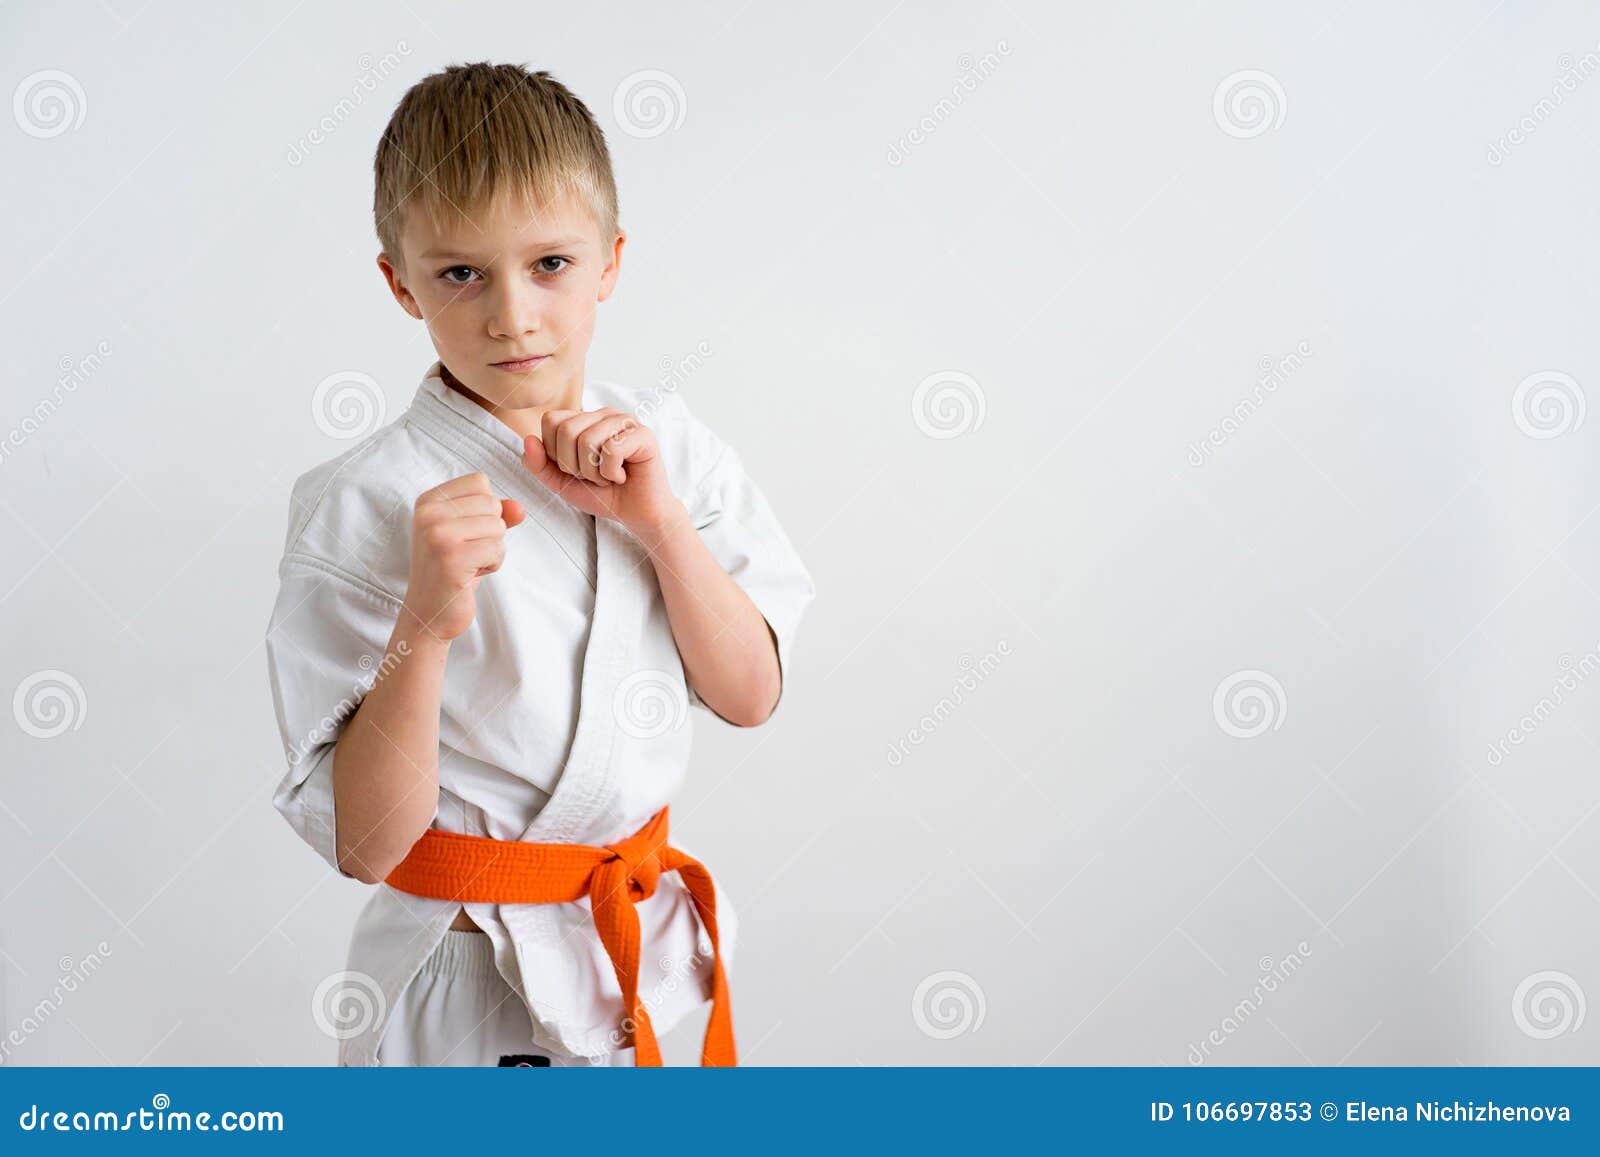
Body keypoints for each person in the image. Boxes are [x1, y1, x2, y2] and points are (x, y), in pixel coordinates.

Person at [263, 62, 815, 1067]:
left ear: (610, 259)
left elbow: (749, 694)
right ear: (400, 282)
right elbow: (368, 845)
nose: (510, 314)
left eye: (550, 263)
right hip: (460, 974)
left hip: (630, 946)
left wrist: (660, 527)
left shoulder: (674, 448)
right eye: (460, 273)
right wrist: (424, 626)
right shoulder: (363, 501)